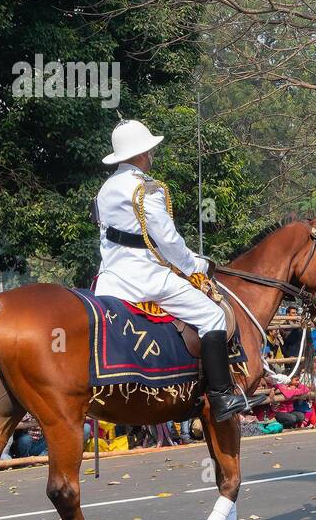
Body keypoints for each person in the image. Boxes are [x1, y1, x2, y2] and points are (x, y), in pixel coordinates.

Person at [92, 120, 248, 422]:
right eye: (150, 150)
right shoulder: (146, 188)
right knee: (212, 315)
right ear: (142, 153)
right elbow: (167, 240)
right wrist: (195, 266)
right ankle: (221, 396)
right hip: (146, 279)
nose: (152, 155)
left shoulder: (105, 189)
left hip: (109, 281)